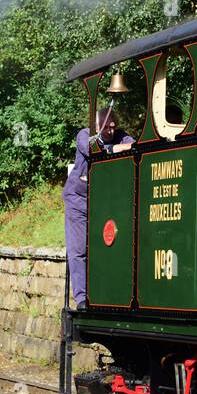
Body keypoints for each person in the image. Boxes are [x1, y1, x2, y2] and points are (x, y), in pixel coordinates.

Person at [62, 105, 134, 309]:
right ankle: (82, 298)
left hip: (104, 201)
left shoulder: (121, 136)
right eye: (106, 127)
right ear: (96, 125)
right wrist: (114, 149)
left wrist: (119, 146)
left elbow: (136, 147)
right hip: (79, 200)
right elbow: (93, 151)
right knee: (78, 249)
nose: (110, 130)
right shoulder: (84, 135)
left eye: (113, 126)